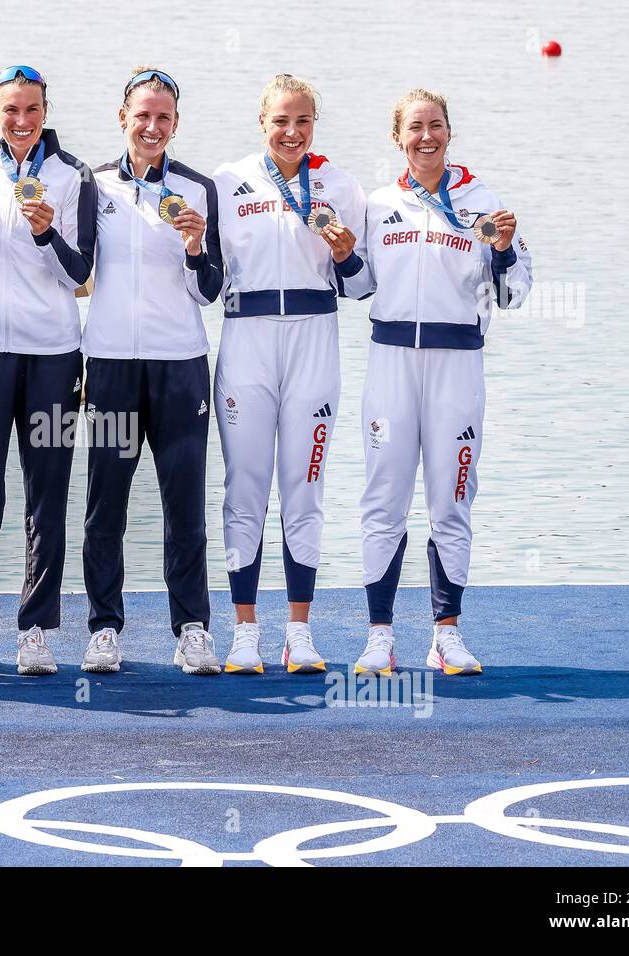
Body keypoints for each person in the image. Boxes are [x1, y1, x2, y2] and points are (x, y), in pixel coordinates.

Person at [343, 88, 532, 676]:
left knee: (452, 498)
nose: (427, 137)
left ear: (450, 132)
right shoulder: (378, 204)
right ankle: (379, 637)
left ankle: (446, 634)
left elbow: (516, 291)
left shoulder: (483, 202)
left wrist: (501, 251)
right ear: (397, 139)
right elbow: (357, 287)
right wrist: (346, 255)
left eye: (437, 126)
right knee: (384, 498)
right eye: (415, 128)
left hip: (457, 365)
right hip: (392, 361)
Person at [212, 74, 368, 675]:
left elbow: (362, 284)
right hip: (247, 340)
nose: (292, 132)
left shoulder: (340, 185)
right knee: (245, 491)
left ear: (314, 125)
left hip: (313, 340)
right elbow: (201, 273)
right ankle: (244, 630)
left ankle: (299, 632)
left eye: (303, 121)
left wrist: (346, 253)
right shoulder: (227, 183)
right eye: (281, 120)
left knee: (305, 492)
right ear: (262, 122)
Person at [0, 65, 96, 677]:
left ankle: (34, 629)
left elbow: (82, 272)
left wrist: (46, 234)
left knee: (47, 494)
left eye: (32, 109)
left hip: (54, 353)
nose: (22, 121)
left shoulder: (74, 176)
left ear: (46, 109)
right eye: (10, 110)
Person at [82, 67, 225, 675]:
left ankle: (191, 628)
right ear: (122, 117)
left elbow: (212, 289)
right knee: (104, 504)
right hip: (111, 365)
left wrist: (196, 247)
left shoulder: (198, 189)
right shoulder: (90, 185)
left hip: (180, 368)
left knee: (184, 504)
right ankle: (103, 629)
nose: (151, 125)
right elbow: (72, 270)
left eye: (163, 117)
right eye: (142, 114)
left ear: (175, 125)